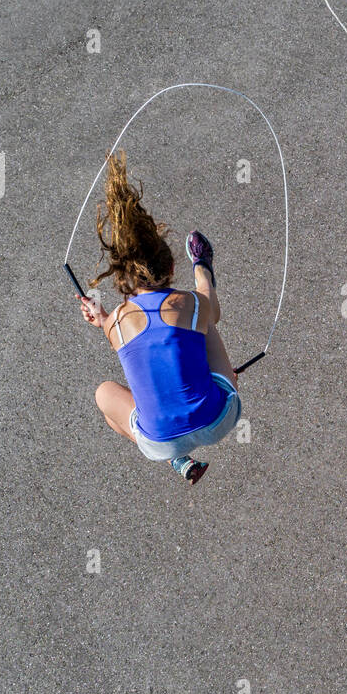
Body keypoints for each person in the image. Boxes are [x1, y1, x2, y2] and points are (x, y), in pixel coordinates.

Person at [77, 151, 241, 483]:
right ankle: (203, 270)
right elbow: (215, 314)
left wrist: (102, 316)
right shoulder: (188, 304)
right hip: (219, 416)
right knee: (205, 315)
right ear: (169, 268)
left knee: (106, 400)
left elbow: (114, 331)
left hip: (159, 442)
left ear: (122, 277)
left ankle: (177, 461)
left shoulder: (116, 326)